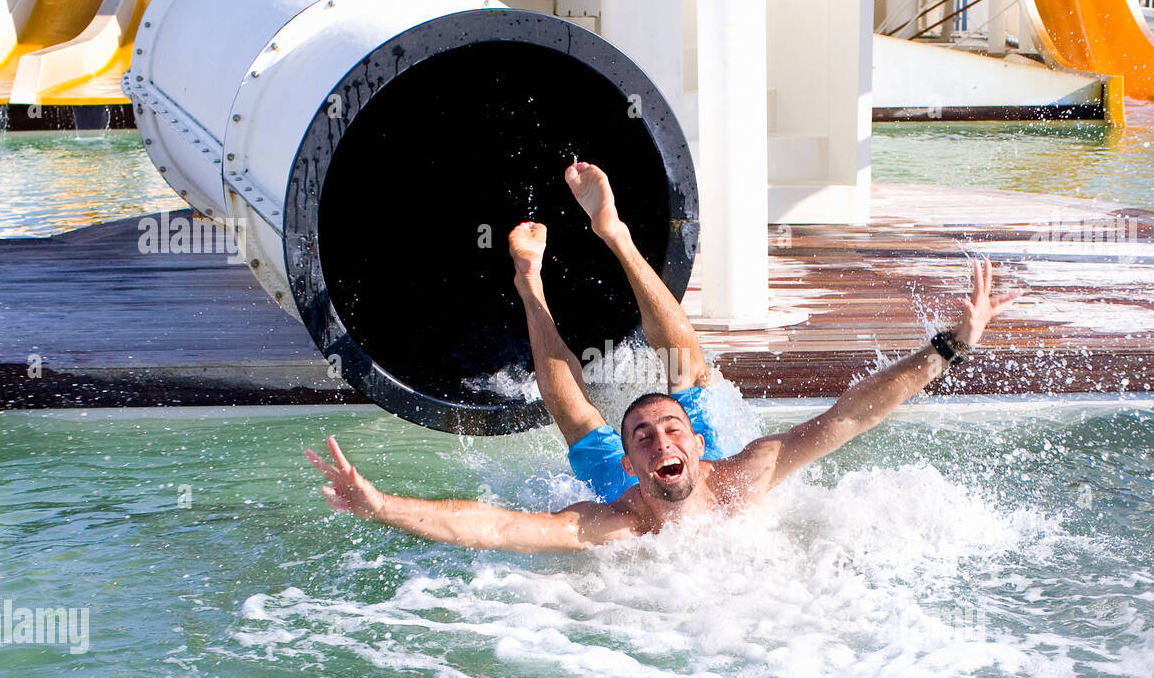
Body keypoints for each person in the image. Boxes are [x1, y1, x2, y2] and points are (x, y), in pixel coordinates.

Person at [306, 162, 1022, 552]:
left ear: (697, 448)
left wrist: (948, 348)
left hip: (712, 440)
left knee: (687, 373)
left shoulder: (746, 473)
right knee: (579, 418)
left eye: (670, 432)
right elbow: (495, 527)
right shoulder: (614, 518)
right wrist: (381, 508)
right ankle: (531, 283)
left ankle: (612, 234)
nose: (659, 440)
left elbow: (848, 419)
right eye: (646, 437)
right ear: (634, 466)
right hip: (618, 474)